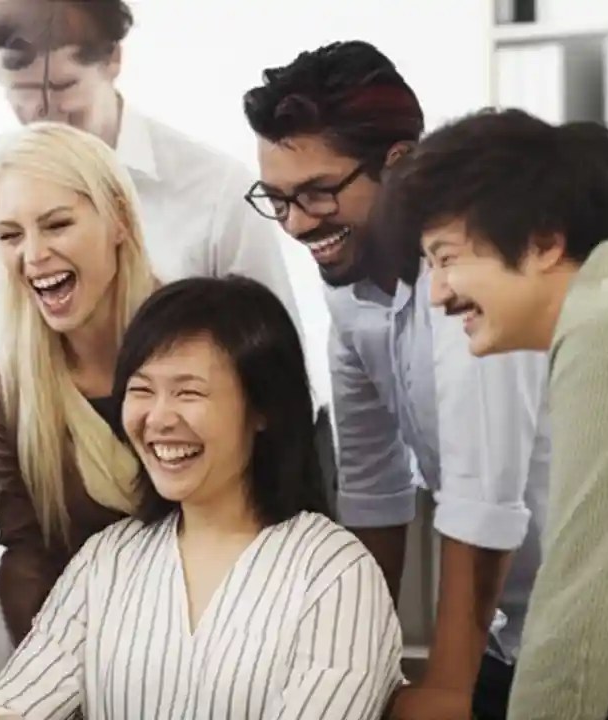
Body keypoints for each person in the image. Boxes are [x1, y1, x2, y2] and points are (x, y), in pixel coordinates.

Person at [243, 41, 552, 720]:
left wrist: (444, 686)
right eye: (279, 199)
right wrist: (355, 662)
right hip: (507, 631)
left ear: (400, 162)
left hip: (581, 623)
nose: (297, 223)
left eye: (320, 191)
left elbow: (482, 497)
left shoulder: (475, 271)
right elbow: (372, 488)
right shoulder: (349, 293)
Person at [0, 275, 403, 720]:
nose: (158, 418)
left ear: (263, 409)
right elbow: (8, 710)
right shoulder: (108, 559)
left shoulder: (335, 574)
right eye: (141, 390)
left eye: (188, 392)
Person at [374, 107, 608, 720]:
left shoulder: (602, 328)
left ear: (543, 243)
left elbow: (583, 600)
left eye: (448, 258)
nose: (437, 293)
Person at [0, 0, 300, 328]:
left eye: (64, 85)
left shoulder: (216, 189)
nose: (43, 110)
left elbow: (277, 356)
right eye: (23, 90)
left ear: (113, 58)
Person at [0, 120, 160, 652]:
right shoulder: (2, 385)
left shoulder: (199, 342)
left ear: (118, 220)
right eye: (10, 235)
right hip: (83, 648)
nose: (33, 257)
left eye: (56, 225)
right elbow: (29, 548)